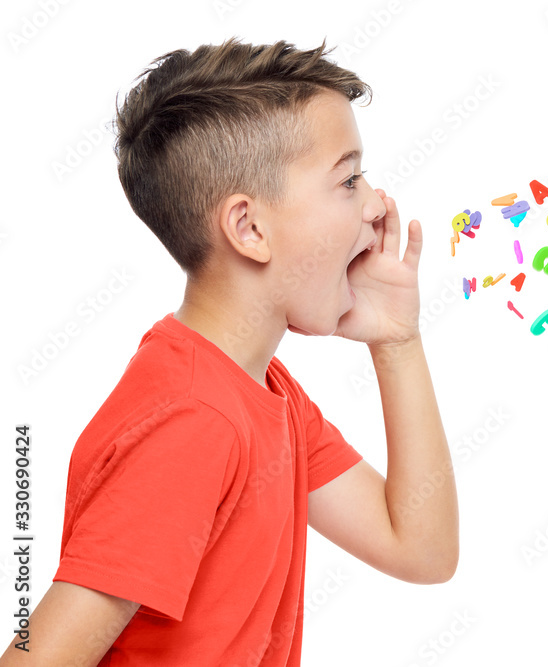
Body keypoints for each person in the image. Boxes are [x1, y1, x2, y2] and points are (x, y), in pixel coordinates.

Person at [0, 37, 458, 667]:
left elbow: (422, 550)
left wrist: (397, 342)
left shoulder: (269, 395)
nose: (378, 204)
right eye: (348, 179)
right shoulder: (193, 421)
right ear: (249, 229)